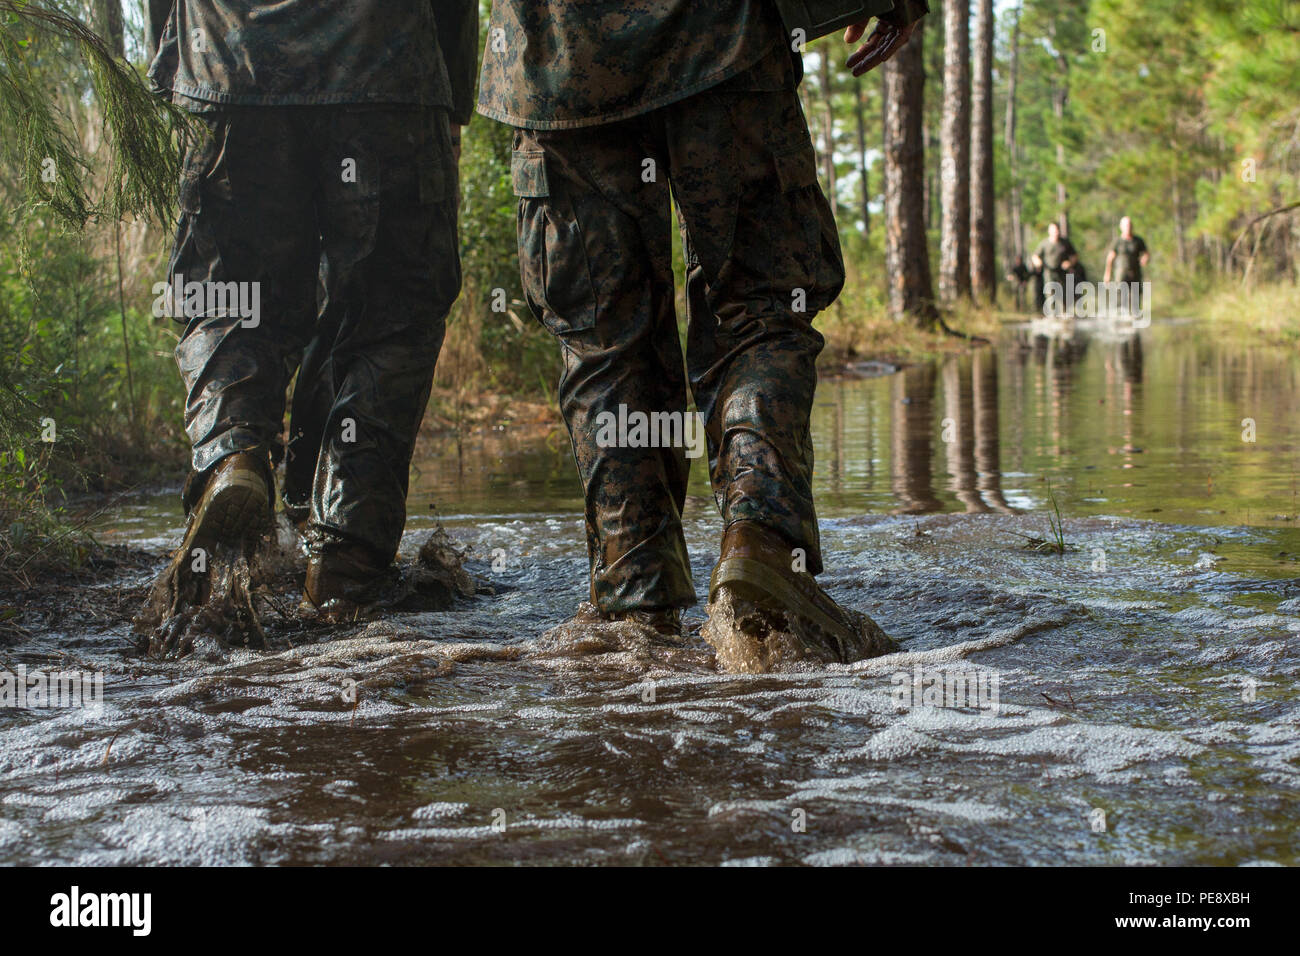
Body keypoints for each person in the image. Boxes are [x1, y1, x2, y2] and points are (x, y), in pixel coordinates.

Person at [476, 0, 929, 659]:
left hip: (555, 60)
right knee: (759, 309)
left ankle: (635, 600)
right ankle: (759, 544)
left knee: (604, 340)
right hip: (722, 40)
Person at [146, 1, 478, 619]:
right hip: (387, 66)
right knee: (389, 319)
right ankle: (342, 563)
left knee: (228, 301)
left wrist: (174, 63)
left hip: (229, 61)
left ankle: (235, 454)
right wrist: (451, 94)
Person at [1103, 215, 1150, 313]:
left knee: (1136, 298)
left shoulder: (1138, 241)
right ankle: (1121, 317)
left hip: (1135, 273)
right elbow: (1110, 258)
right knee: (1121, 298)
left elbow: (1146, 253)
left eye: (1130, 225)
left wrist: (1145, 259)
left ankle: (1135, 317)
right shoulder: (1118, 242)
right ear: (1121, 227)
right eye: (1126, 225)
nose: (1128, 227)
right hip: (1121, 274)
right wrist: (1107, 274)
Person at [1030, 222, 1079, 313]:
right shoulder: (1044, 244)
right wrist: (1038, 262)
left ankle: (1064, 317)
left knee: (1064, 296)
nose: (1056, 232)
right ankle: (1052, 317)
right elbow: (1035, 256)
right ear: (1049, 231)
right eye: (1053, 230)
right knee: (1050, 295)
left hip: (1063, 273)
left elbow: (1075, 256)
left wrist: (1070, 263)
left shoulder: (1065, 243)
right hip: (1049, 273)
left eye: (1057, 230)